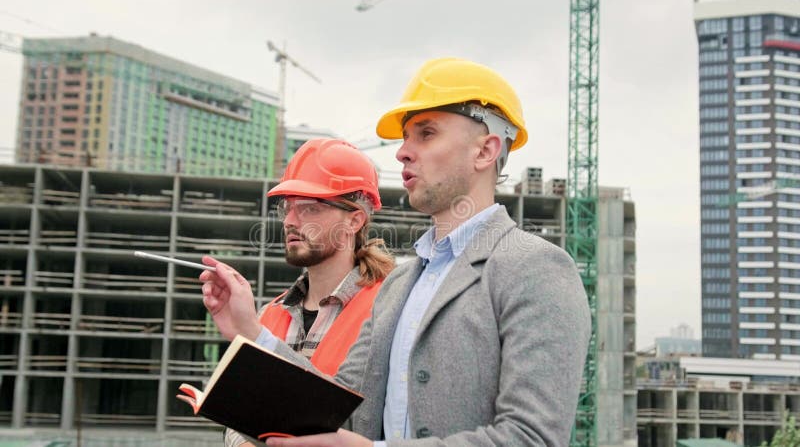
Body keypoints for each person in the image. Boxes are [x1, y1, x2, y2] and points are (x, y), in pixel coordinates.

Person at [202, 58, 591, 447]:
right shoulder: (401, 283)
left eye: (426, 133)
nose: (403, 152)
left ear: (485, 151)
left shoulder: (535, 268)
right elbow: (338, 407)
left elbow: (532, 438)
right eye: (405, 138)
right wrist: (250, 332)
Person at [199, 138, 394, 447]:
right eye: (287, 209)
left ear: (354, 220)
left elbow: (367, 422)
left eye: (310, 208)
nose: (290, 221)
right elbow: (241, 418)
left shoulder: (389, 306)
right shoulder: (269, 314)